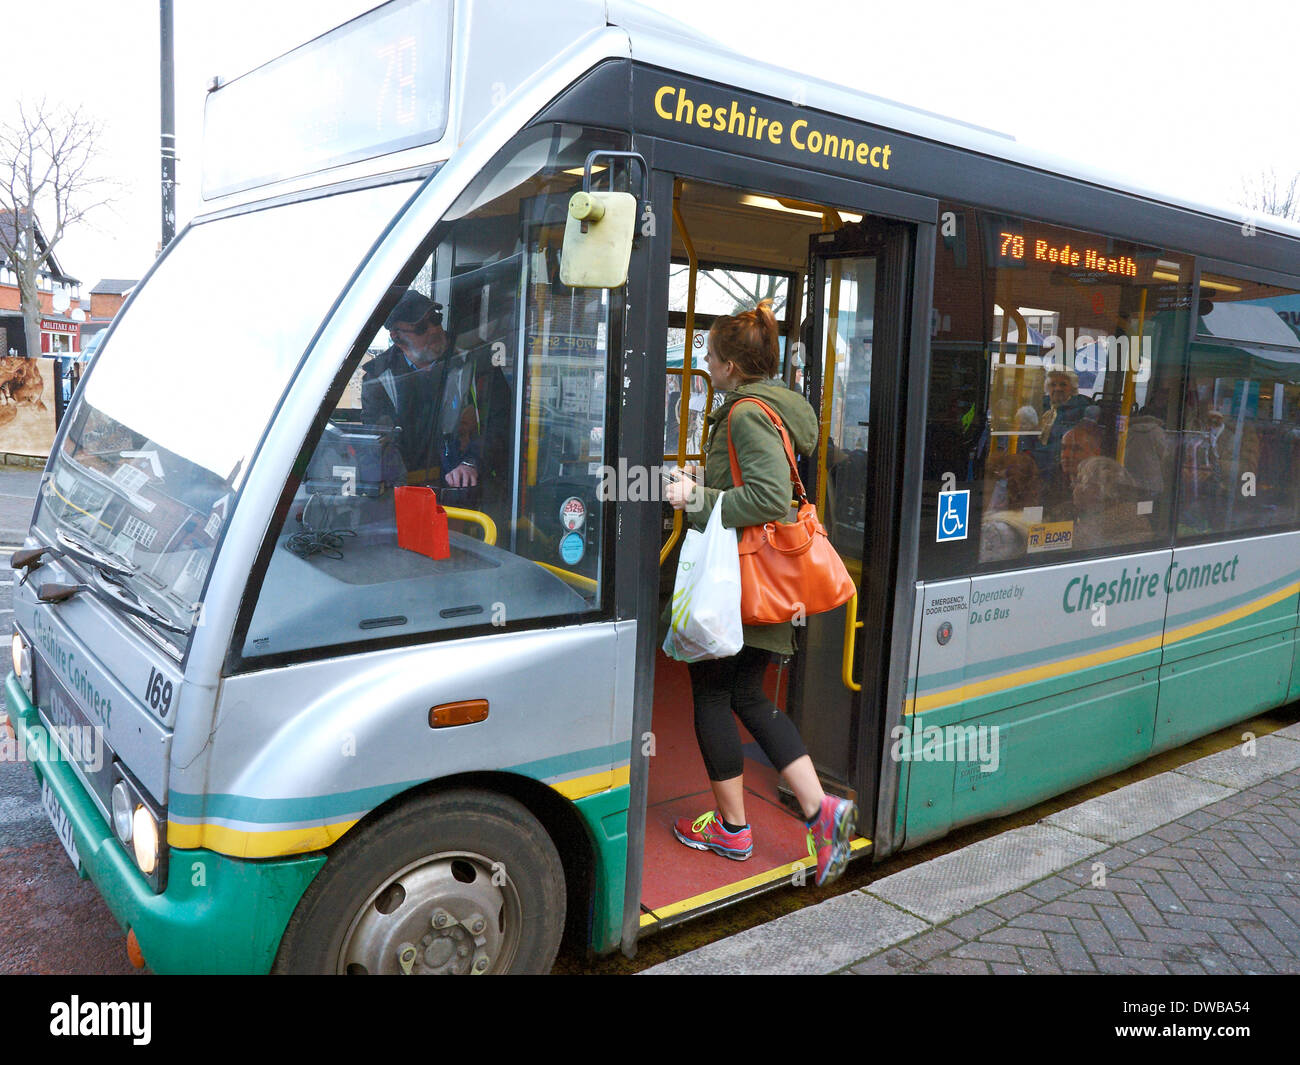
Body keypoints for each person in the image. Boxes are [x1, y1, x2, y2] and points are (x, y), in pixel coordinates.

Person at [663, 299, 857, 888]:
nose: (705, 362)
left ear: (728, 365)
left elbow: (770, 498)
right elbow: (760, 486)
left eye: (710, 355)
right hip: (766, 589)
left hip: (742, 587)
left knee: (713, 697)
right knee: (748, 697)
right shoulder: (777, 407)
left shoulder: (745, 413)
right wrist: (710, 484)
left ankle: (733, 829)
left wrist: (692, 499)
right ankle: (822, 811)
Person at [361, 290, 510, 514]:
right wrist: (397, 486)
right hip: (408, 498)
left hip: (467, 496)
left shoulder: (477, 359)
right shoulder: (377, 378)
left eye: (435, 319)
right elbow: (378, 441)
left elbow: (502, 421)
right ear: (397, 337)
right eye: (421, 328)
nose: (433, 330)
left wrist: (473, 462)